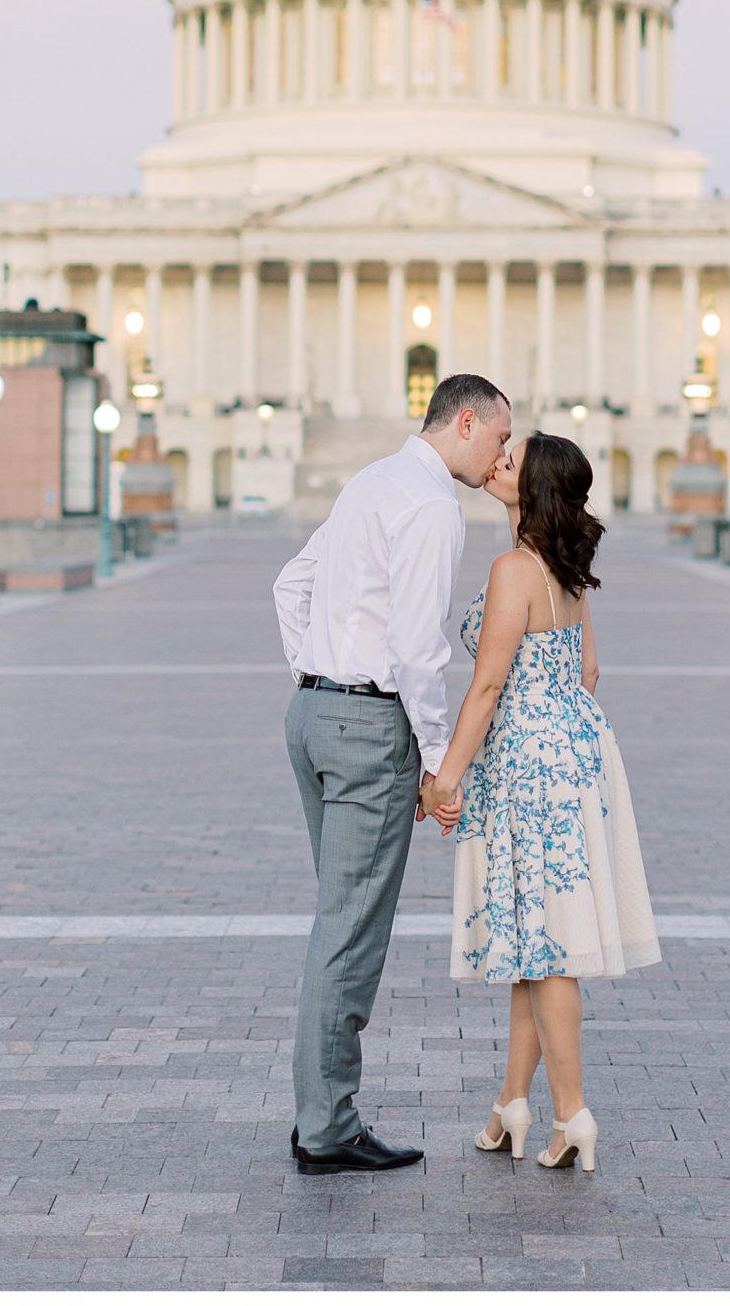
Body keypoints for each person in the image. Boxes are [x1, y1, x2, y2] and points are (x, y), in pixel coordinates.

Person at [274, 372, 512, 1176]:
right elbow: (418, 651)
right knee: (349, 931)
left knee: (335, 918)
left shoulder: (370, 481)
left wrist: (315, 673)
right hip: (369, 727)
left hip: (311, 718)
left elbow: (290, 585)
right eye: (501, 438)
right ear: (467, 421)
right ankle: (326, 1127)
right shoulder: (434, 506)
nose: (502, 455)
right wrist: (440, 761)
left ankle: (319, 1112)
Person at [424, 433, 660, 1174]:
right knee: (534, 947)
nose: (497, 461)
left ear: (534, 487)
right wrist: (557, 733)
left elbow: (488, 685)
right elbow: (588, 669)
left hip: (526, 763)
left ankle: (572, 1113)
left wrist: (446, 779)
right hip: (576, 753)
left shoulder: (513, 568)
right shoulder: (566, 568)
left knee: (548, 950)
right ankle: (509, 1107)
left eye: (511, 458)